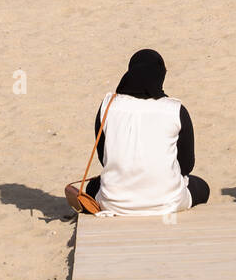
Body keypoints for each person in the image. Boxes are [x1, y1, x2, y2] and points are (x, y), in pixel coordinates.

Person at [85, 49, 210, 215]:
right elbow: (187, 165)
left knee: (91, 186)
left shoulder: (108, 106)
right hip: (167, 200)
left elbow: (104, 158)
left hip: (115, 202)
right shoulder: (175, 110)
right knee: (202, 187)